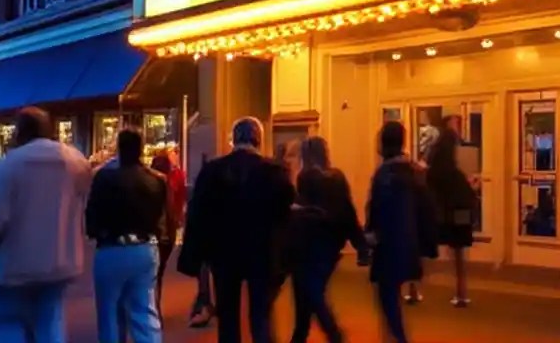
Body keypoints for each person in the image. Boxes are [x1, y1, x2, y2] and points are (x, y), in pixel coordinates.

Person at [0, 107, 91, 343]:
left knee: (10, 324)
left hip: (15, 265)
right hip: (60, 263)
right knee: (51, 323)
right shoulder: (76, 163)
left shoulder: (4, 168)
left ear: (20, 132)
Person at [178, 117, 295, 343]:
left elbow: (198, 214)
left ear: (234, 139)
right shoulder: (274, 172)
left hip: (224, 254)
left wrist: (195, 255)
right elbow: (285, 212)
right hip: (262, 252)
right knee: (261, 316)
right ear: (258, 139)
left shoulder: (213, 171)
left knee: (228, 316)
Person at [87, 129, 166, 343]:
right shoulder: (157, 180)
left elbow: (92, 217)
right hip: (145, 247)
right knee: (144, 310)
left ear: (119, 147)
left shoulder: (105, 178)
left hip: (112, 247)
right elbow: (161, 217)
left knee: (109, 312)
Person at [287, 137, 368, 343]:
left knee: (309, 296)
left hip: (308, 247)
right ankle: (305, 337)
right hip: (331, 248)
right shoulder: (337, 177)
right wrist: (360, 244)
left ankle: (334, 335)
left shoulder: (306, 177)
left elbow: (303, 211)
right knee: (310, 295)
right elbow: (348, 212)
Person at [367, 121, 438, 343]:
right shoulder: (412, 173)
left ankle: (397, 338)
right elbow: (426, 209)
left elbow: (377, 209)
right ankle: (390, 338)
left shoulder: (385, 174)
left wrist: (369, 236)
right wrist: (427, 244)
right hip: (408, 243)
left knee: (387, 298)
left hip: (389, 243)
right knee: (391, 296)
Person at [426, 126, 477, 307]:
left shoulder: (433, 171)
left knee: (423, 250)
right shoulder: (455, 173)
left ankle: (413, 288)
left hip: (440, 213)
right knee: (459, 253)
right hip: (459, 213)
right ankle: (461, 292)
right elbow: (466, 195)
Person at [149, 149, 188, 319]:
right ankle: (155, 305)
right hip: (166, 236)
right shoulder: (169, 183)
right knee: (159, 272)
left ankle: (152, 306)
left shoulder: (150, 183)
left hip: (153, 235)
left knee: (152, 274)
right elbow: (174, 208)